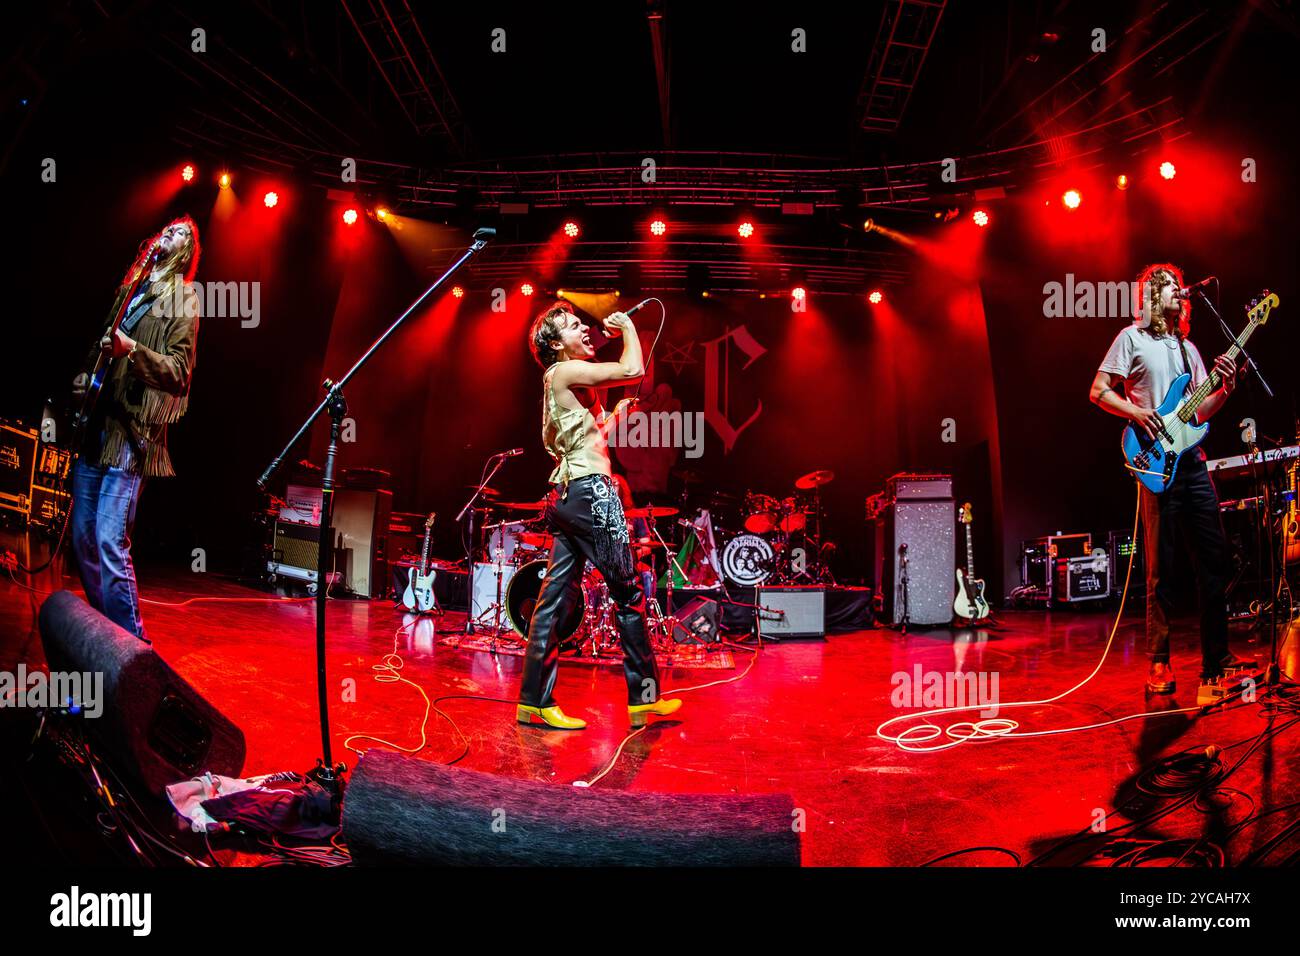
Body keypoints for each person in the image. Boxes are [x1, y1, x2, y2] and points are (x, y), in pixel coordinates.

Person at [516, 304, 682, 729]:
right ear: (555, 345)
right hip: (592, 493)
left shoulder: (565, 380)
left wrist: (611, 419)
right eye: (573, 327)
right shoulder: (565, 371)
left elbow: (587, 438)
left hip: (571, 493)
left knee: (553, 599)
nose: (584, 329)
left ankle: (534, 702)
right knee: (628, 593)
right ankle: (643, 699)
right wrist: (627, 327)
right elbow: (633, 368)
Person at [1089, 262, 1251, 694]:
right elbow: (1099, 390)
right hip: (1156, 464)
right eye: (1171, 288)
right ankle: (1158, 663)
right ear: (1150, 296)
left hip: (1193, 462)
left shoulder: (1189, 350)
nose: (1179, 294)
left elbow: (1198, 413)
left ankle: (1216, 658)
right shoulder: (1131, 338)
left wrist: (1226, 390)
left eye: (1180, 290)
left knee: (1213, 559)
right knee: (1160, 568)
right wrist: (1139, 412)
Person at [70, 218, 202, 640]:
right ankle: (106, 637)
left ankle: (133, 647)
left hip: (134, 432)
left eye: (181, 233)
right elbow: (101, 343)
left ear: (188, 251)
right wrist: (82, 383)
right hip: (100, 424)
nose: (169, 234)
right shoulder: (133, 288)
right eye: (168, 228)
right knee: (83, 540)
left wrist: (134, 351)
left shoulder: (182, 298)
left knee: (110, 541)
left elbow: (180, 372)